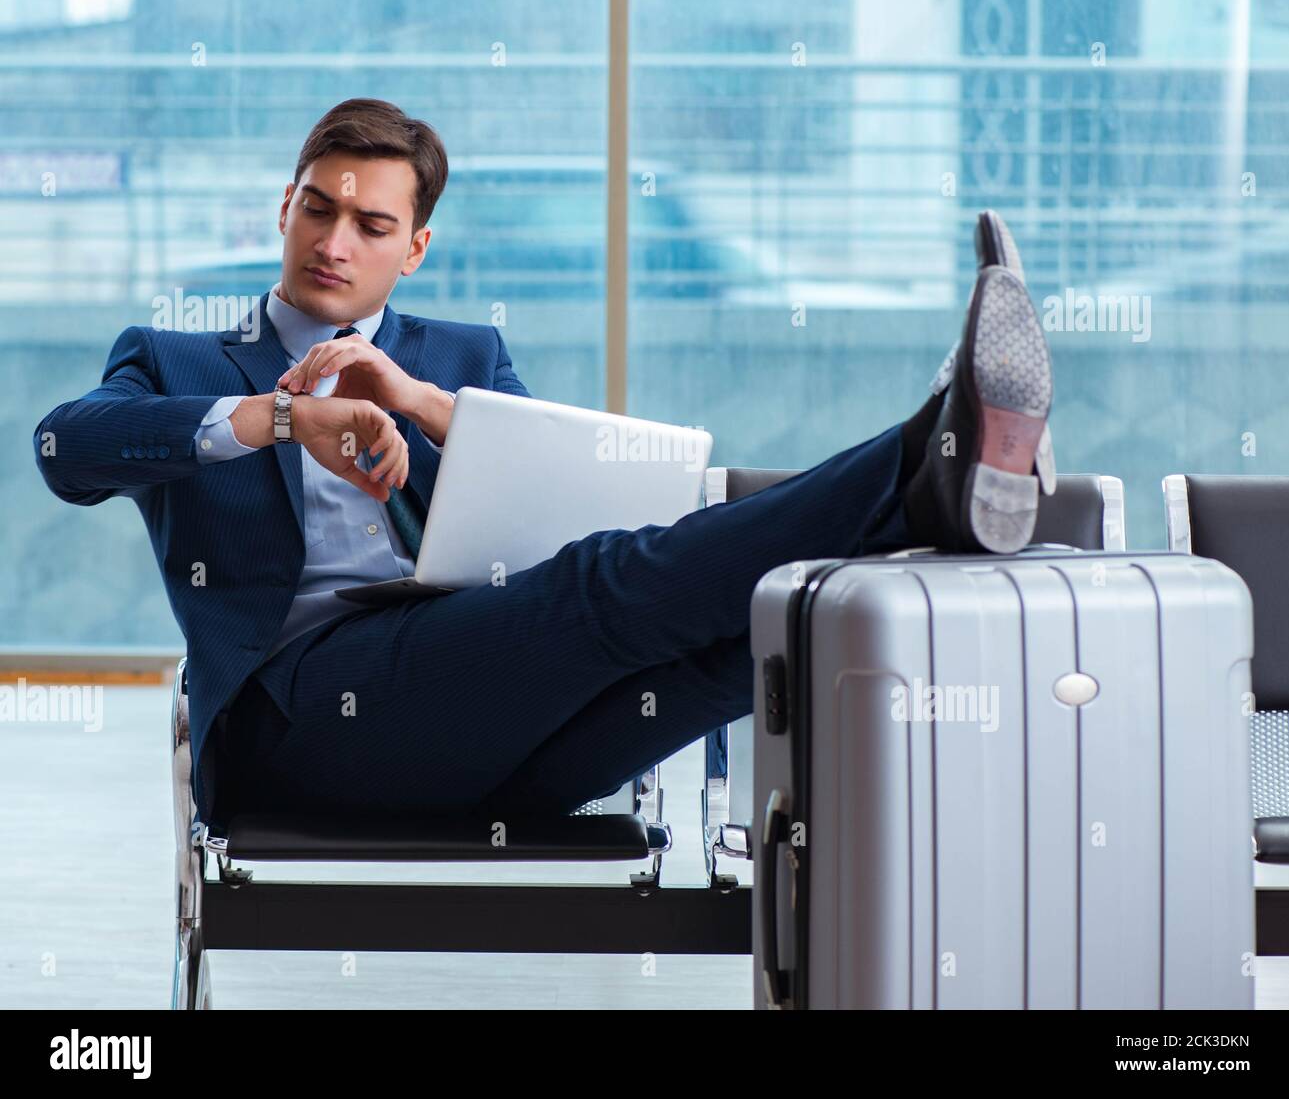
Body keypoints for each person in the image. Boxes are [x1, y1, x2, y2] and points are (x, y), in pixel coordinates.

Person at [31, 98, 1056, 832]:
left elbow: (553, 518)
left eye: (371, 225)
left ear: (415, 248)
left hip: (495, 731)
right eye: (317, 209)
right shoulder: (179, 358)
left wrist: (424, 406)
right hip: (297, 726)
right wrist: (283, 421)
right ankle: (928, 458)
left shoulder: (465, 360)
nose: (335, 241)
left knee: (757, 639)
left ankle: (942, 498)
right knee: (605, 588)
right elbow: (65, 448)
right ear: (284, 209)